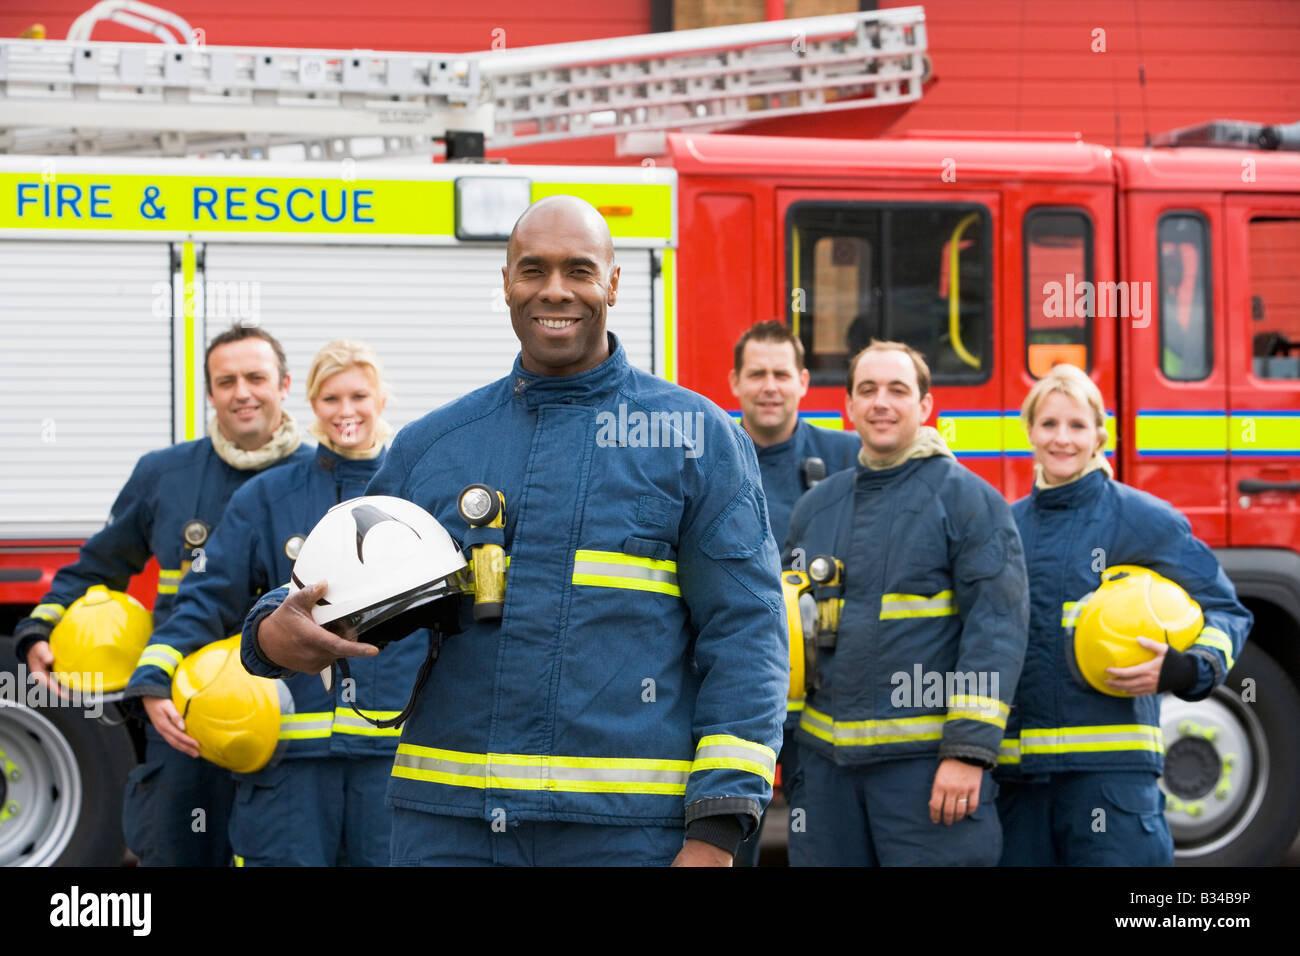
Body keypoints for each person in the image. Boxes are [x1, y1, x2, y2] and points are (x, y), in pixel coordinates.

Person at [242, 195, 788, 867]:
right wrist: (273, 634)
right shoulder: (434, 446)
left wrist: (715, 834)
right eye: (533, 270)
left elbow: (747, 635)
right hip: (448, 831)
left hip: (623, 837)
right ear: (505, 283)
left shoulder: (695, 438)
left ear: (613, 283)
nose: (554, 290)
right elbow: (322, 587)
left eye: (579, 270)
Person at [11, 326, 310, 867]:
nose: (242, 391)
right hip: (180, 714)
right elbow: (99, 566)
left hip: (292, 718)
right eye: (226, 381)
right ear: (210, 393)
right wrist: (39, 629)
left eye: (256, 377)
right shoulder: (164, 475)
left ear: (284, 384)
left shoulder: (321, 477)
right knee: (178, 852)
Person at [123, 339, 420, 866]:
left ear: (381, 399)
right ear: (309, 402)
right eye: (331, 398)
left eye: (359, 395)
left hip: (391, 761)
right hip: (290, 765)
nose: (346, 411)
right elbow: (207, 598)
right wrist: (154, 676)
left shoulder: (416, 494)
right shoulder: (266, 497)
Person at [782, 340, 1028, 866]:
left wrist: (967, 751)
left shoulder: (969, 501)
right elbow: (786, 634)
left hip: (925, 774)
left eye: (898, 389)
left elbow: (997, 630)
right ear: (848, 406)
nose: (881, 402)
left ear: (925, 406)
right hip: (826, 776)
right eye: (867, 390)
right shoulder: (816, 507)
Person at [997, 363, 1251, 865]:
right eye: (1048, 424)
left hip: (1111, 785)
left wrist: (1187, 666)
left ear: (1099, 435)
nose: (1062, 438)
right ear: (1029, 432)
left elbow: (1225, 610)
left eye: (1076, 425)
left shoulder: (1144, 520)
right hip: (1016, 787)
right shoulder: (1005, 527)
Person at [727, 319, 860, 866]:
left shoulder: (849, 457)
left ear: (804, 380)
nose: (769, 386)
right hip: (735, 683)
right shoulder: (710, 457)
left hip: (830, 688)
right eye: (756, 374)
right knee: (729, 822)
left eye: (781, 373)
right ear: (734, 381)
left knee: (825, 835)